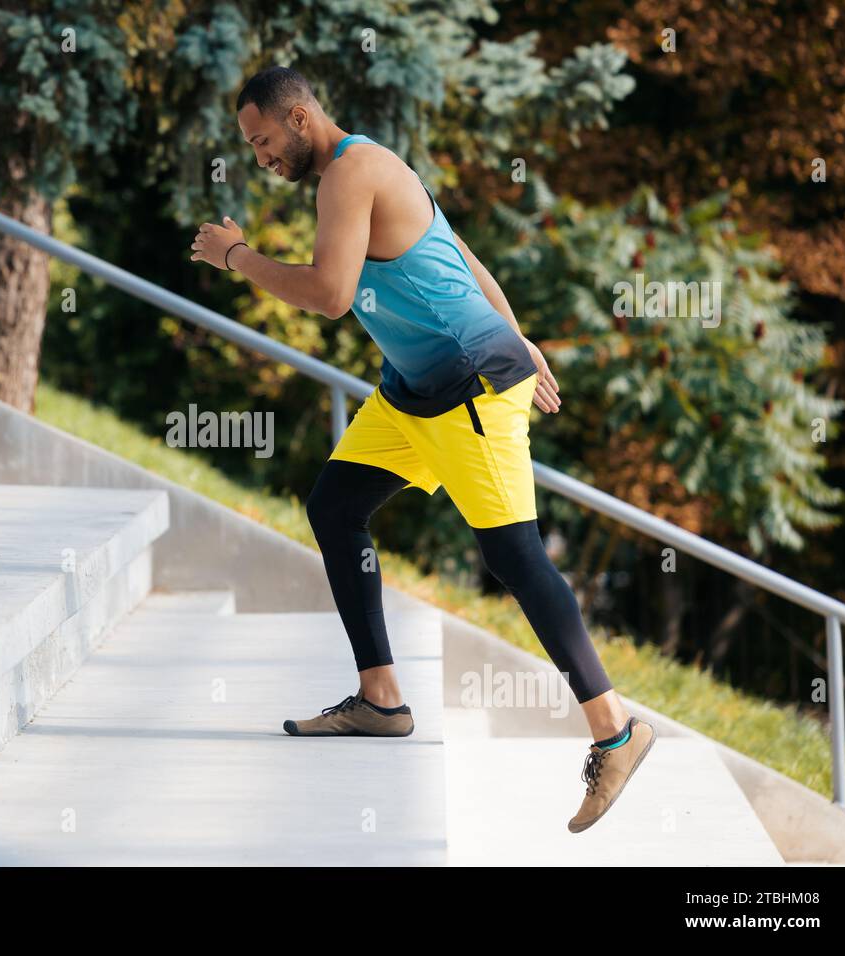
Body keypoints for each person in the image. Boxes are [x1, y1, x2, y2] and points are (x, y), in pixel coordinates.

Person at [190, 65, 655, 833]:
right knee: (336, 506)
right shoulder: (363, 169)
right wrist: (518, 331)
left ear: (300, 118)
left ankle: (616, 731)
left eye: (263, 139)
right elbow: (460, 250)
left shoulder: (352, 172)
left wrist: (234, 256)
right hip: (412, 392)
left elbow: (333, 296)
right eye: (251, 146)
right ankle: (380, 699)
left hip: (469, 389)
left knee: (514, 557)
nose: (260, 156)